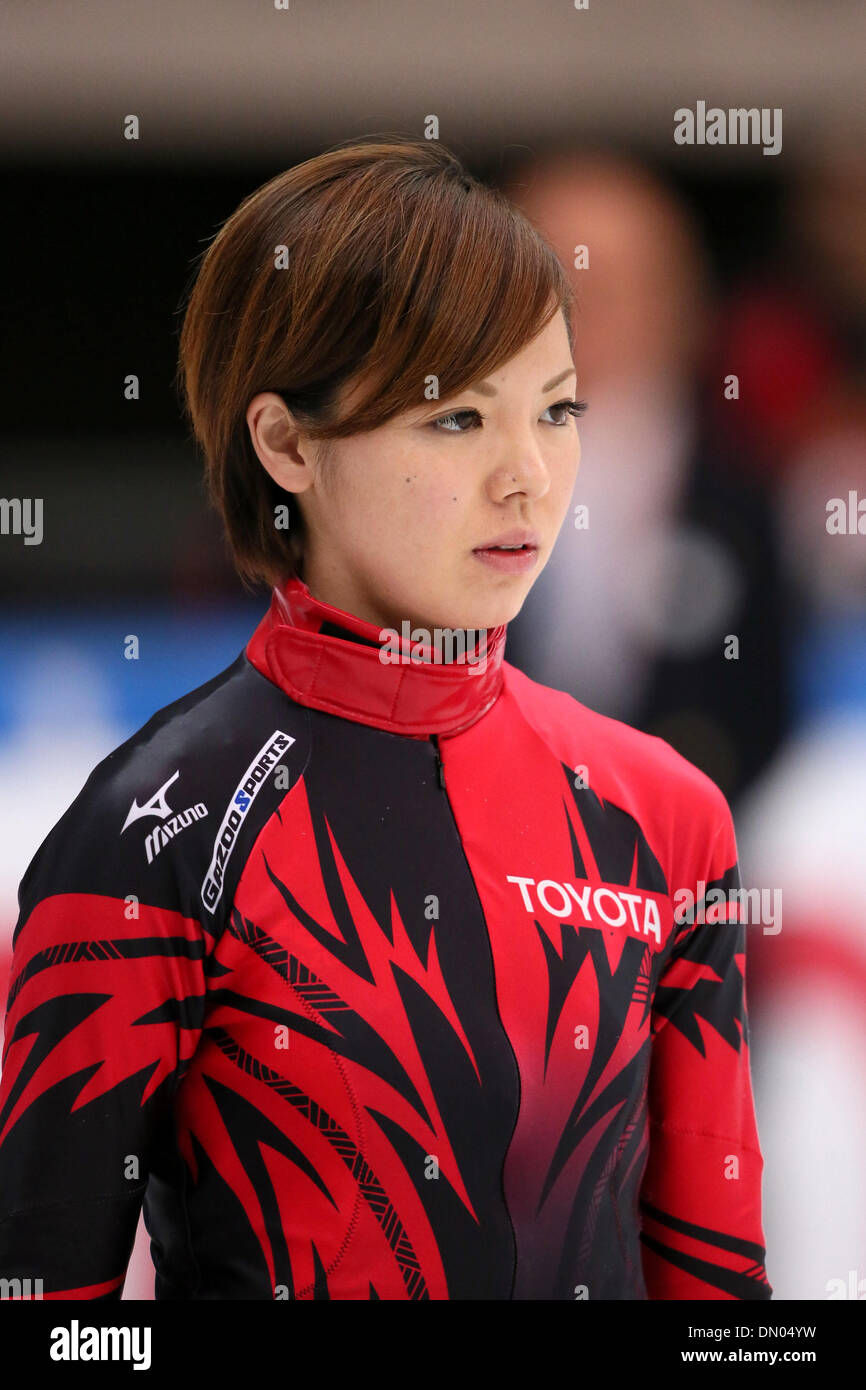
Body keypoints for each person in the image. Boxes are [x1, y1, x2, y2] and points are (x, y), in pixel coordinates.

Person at [0, 134, 771, 1300]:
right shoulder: (155, 834)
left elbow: (722, 1312)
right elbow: (50, 1315)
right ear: (284, 442)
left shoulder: (661, 816)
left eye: (557, 410)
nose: (527, 476)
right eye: (456, 419)